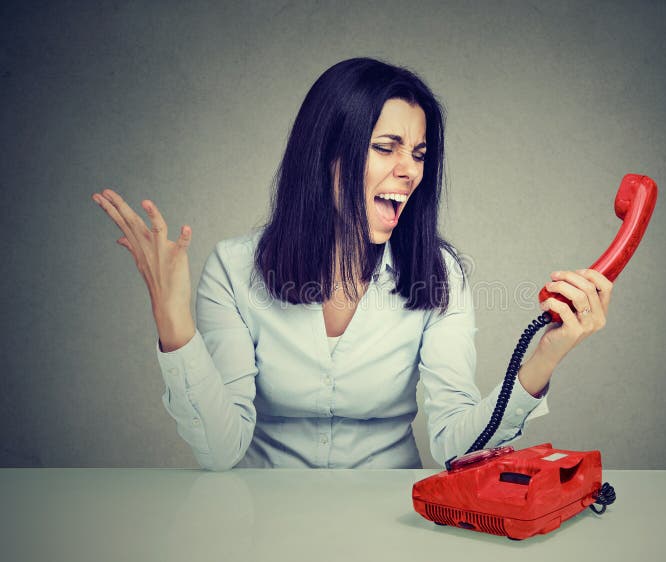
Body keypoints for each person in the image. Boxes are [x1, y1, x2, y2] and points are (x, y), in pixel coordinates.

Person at [91, 58, 613, 471]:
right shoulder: (234, 268)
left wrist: (544, 358)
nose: (410, 171)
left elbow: (456, 446)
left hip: (388, 525)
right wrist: (174, 322)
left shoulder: (440, 274)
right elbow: (219, 449)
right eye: (386, 148)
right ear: (327, 155)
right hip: (263, 522)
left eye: (419, 153)